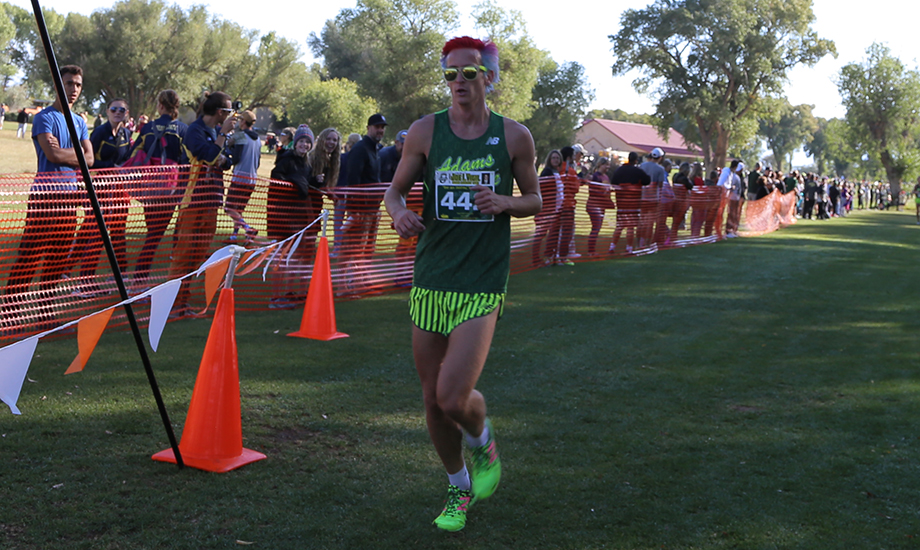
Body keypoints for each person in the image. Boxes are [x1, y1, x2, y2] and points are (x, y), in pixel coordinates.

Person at [384, 36, 541, 533]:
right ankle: (458, 486)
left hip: (481, 281)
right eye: (450, 74)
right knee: (432, 398)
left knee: (455, 396)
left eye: (468, 74)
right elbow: (393, 192)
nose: (457, 83)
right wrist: (400, 213)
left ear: (488, 78)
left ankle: (483, 441)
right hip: (432, 276)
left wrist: (505, 203)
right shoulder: (424, 132)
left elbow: (534, 199)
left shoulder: (514, 137)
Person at [2, 65, 94, 329]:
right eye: (68, 83)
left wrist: (71, 155)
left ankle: (45, 312)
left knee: (57, 258)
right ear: (57, 85)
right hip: (44, 199)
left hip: (69, 200)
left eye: (77, 84)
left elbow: (90, 158)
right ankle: (9, 312)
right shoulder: (44, 117)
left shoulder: (80, 122)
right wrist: (76, 156)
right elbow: (53, 156)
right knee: (28, 258)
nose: (73, 89)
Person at [168, 91, 233, 318]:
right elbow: (210, 156)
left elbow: (227, 159)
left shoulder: (216, 132)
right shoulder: (195, 130)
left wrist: (222, 150)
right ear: (219, 112)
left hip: (211, 200)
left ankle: (184, 301)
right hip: (192, 200)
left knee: (199, 254)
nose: (230, 116)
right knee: (184, 254)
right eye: (228, 111)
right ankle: (172, 303)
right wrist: (222, 137)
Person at [71, 97, 134, 292]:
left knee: (117, 226)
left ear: (126, 114)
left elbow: (128, 158)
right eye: (114, 109)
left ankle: (121, 272)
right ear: (107, 112)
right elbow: (86, 160)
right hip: (98, 186)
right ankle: (85, 281)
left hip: (118, 188)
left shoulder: (126, 134)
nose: (117, 113)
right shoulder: (99, 132)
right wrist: (110, 168)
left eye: (121, 110)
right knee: (97, 231)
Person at [129, 89, 189, 285]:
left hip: (149, 186)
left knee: (152, 233)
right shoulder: (182, 129)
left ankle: (139, 280)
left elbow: (133, 152)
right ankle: (138, 282)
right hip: (170, 190)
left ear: (160, 106)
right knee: (154, 236)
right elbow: (186, 161)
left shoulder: (147, 128)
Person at [267, 124, 317, 309]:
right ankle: (276, 296)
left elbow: (304, 181)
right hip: (283, 217)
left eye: (307, 142)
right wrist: (294, 182)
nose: (304, 145)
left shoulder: (305, 163)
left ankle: (288, 293)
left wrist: (313, 181)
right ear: (295, 143)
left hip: (297, 217)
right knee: (282, 257)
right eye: (301, 141)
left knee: (293, 257)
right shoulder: (286, 159)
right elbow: (278, 180)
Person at [340, 113, 387, 287]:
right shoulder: (360, 149)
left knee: (367, 248)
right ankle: (343, 285)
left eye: (382, 127)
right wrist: (355, 210)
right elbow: (353, 181)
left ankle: (360, 282)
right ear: (368, 128)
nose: (380, 130)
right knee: (352, 248)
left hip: (373, 209)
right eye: (377, 127)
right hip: (361, 209)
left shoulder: (376, 148)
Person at [224, 110, 261, 242]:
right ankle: (234, 235)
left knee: (229, 207)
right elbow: (258, 161)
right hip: (252, 179)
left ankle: (247, 228)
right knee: (238, 210)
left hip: (240, 177)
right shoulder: (258, 140)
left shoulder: (240, 136)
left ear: (244, 122)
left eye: (240, 120)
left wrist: (229, 150)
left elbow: (236, 158)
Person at [609, 151, 651, 253]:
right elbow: (647, 181)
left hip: (621, 201)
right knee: (631, 226)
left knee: (619, 225)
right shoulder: (638, 171)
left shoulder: (619, 170)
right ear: (636, 160)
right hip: (633, 202)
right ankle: (629, 248)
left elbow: (613, 182)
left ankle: (612, 247)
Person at [531, 149, 563, 266]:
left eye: (558, 158)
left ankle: (551, 257)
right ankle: (535, 259)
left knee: (553, 234)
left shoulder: (557, 172)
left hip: (556, 209)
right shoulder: (547, 172)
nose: (556, 160)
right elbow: (543, 190)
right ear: (549, 159)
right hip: (546, 209)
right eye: (554, 158)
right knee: (540, 234)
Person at [585, 156, 614, 255]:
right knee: (596, 227)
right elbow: (592, 188)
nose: (607, 167)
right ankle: (591, 251)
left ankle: (592, 250)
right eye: (606, 165)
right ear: (600, 165)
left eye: (608, 165)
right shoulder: (595, 176)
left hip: (602, 205)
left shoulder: (606, 177)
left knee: (597, 227)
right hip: (594, 205)